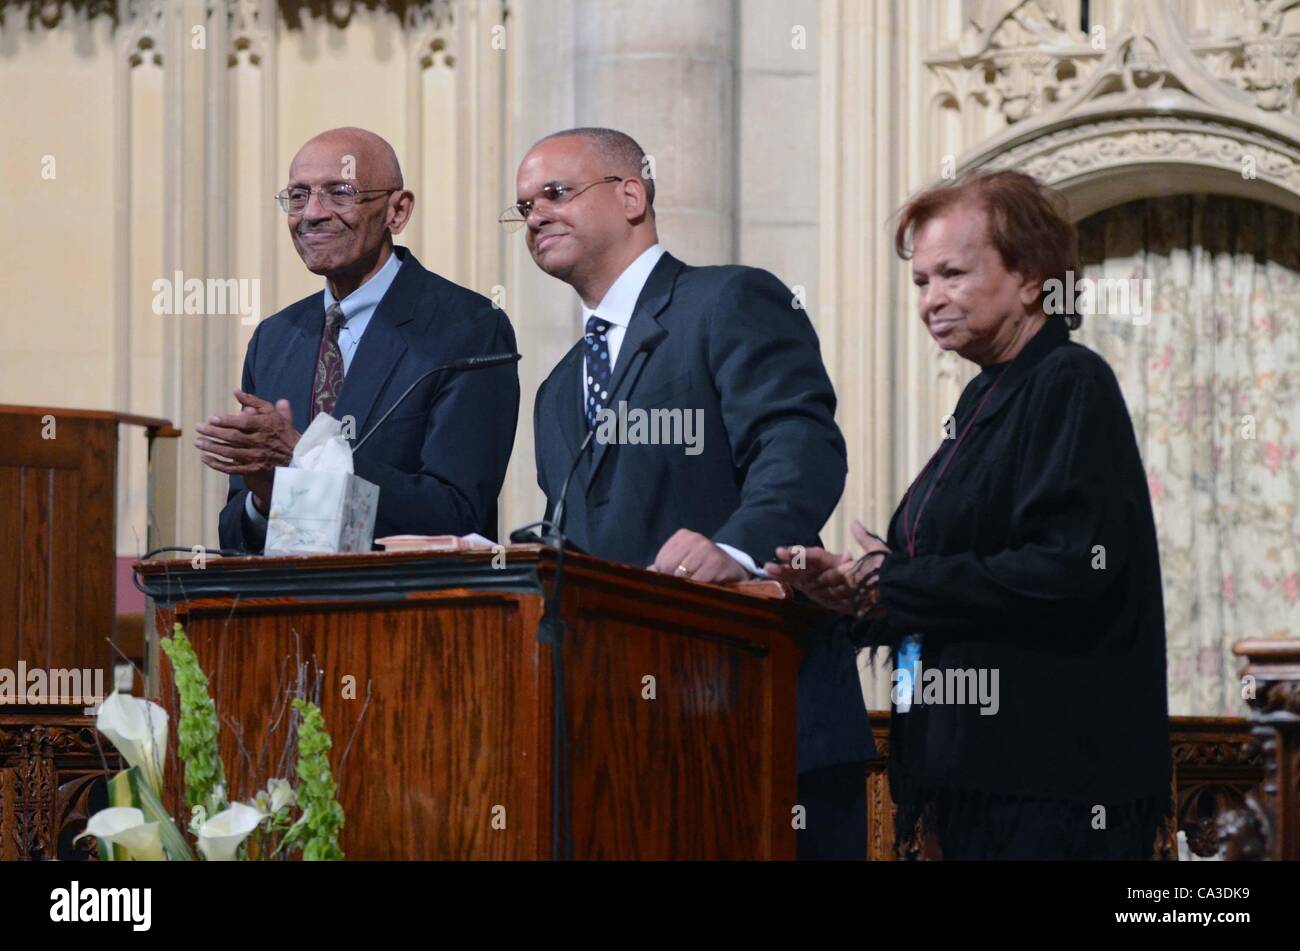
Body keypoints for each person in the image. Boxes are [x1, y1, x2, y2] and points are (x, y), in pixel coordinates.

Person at [768, 170, 1171, 860]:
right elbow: (942, 583)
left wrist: (890, 582)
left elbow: (1071, 567)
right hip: (970, 779)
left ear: (1031, 278)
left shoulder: (1070, 381)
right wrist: (849, 591)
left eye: (952, 273)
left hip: (1052, 786)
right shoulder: (986, 396)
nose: (931, 299)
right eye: (921, 280)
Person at [510, 127, 873, 859]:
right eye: (522, 207)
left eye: (555, 193)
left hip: (761, 713)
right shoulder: (555, 392)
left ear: (632, 195)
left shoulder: (727, 298)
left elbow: (800, 446)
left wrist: (737, 549)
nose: (535, 216)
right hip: (625, 740)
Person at [197, 127, 519, 551]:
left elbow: (456, 512)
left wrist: (304, 460)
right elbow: (236, 535)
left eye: (339, 192)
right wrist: (264, 497)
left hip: (409, 606)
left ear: (397, 211)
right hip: (282, 606)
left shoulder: (468, 328)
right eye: (297, 196)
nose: (312, 213)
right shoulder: (275, 339)